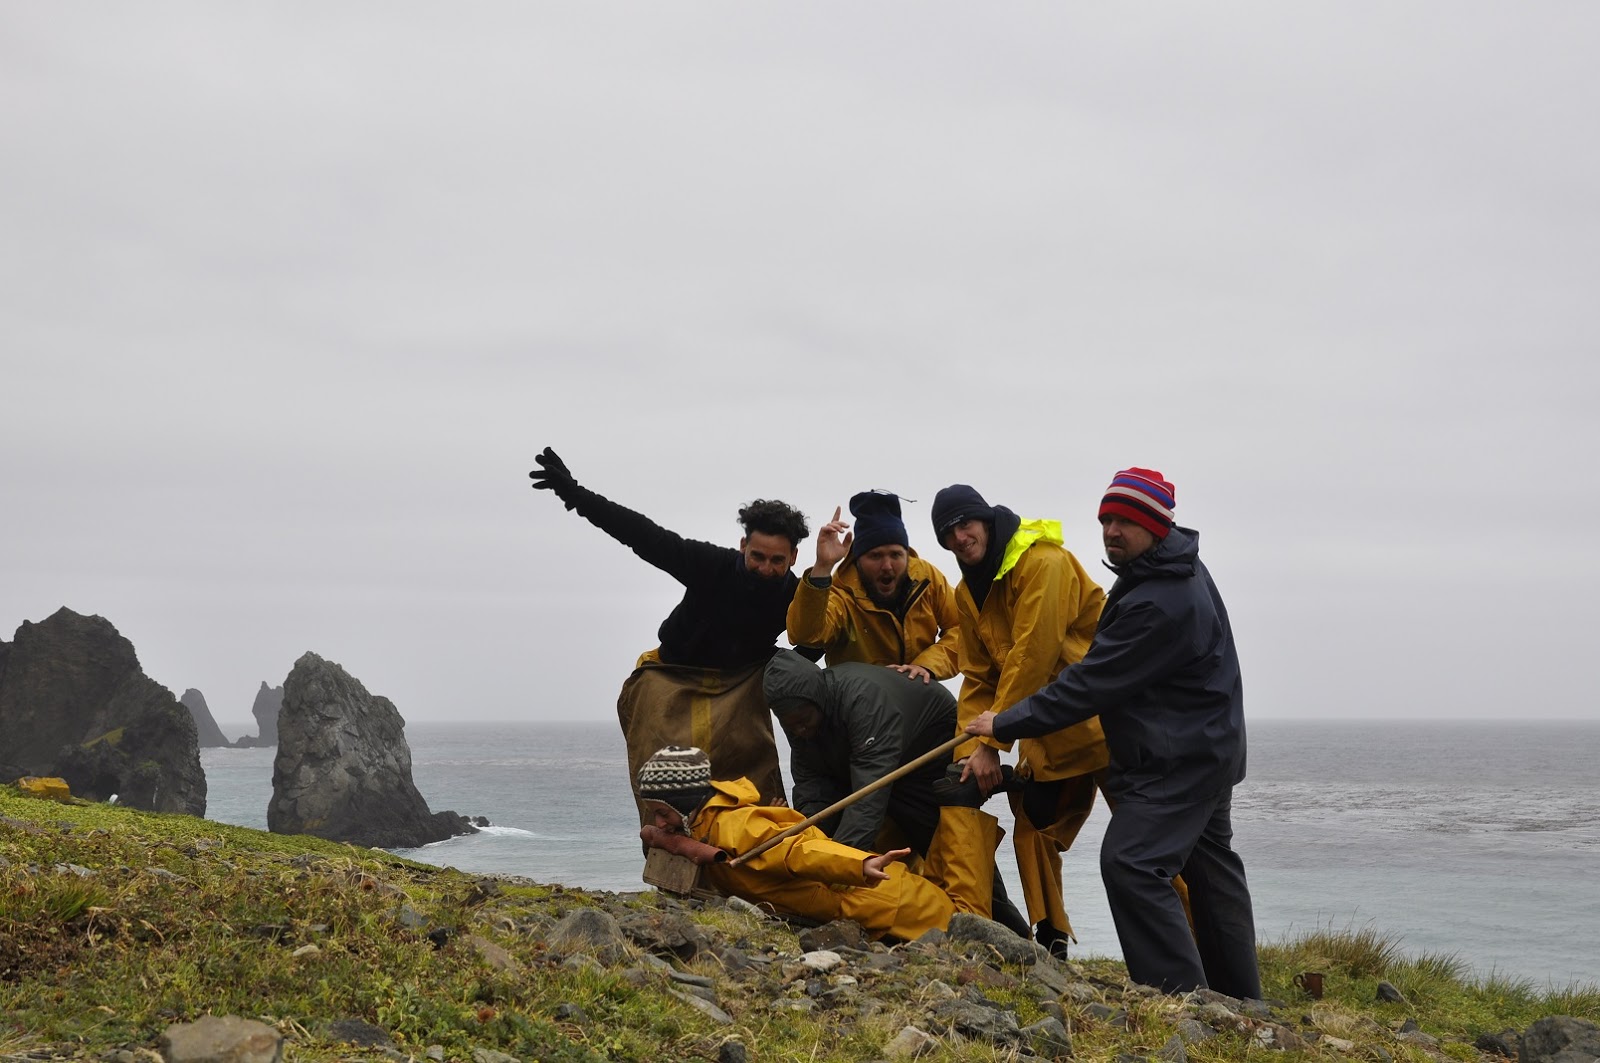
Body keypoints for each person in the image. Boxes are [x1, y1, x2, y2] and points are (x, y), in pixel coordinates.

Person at [966, 468, 1260, 998]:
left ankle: (1179, 999)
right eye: (1106, 519)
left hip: (1179, 761)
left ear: (1155, 524)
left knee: (1131, 862)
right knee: (1213, 877)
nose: (1111, 530)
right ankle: (1239, 998)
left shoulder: (1162, 600)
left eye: (1125, 520)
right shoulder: (1167, 569)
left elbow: (1090, 685)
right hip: (1208, 749)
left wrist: (1003, 723)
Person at [529, 447, 808, 823]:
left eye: (777, 561)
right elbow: (643, 536)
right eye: (757, 556)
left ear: (792, 557)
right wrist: (575, 495)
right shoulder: (711, 566)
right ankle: (667, 847)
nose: (765, 568)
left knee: (751, 780)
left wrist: (822, 573)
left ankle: (758, 855)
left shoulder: (799, 594)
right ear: (743, 546)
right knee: (663, 776)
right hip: (673, 673)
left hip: (741, 683)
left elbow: (813, 646)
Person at [931, 483, 1110, 956]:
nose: (960, 537)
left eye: (965, 524)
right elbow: (979, 677)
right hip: (1044, 729)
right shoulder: (966, 594)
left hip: (1106, 720)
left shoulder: (1042, 562)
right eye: (947, 533)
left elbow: (1035, 653)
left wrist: (995, 740)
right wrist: (969, 754)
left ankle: (1196, 948)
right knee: (1033, 828)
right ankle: (1051, 940)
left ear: (986, 520)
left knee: (1145, 840)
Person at [760, 648, 1032, 936]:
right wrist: (807, 842)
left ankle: (1015, 934)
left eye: (804, 720)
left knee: (946, 843)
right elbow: (811, 785)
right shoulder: (801, 719)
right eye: (791, 725)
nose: (800, 730)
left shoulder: (863, 702)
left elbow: (867, 802)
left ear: (817, 700)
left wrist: (834, 869)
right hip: (869, 761)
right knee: (838, 833)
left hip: (927, 753)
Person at [636, 745, 997, 942]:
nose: (658, 823)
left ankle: (960, 804)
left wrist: (858, 865)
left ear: (684, 802)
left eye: (662, 812)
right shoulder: (700, 827)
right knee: (947, 900)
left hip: (881, 897)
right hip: (870, 901)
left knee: (970, 924)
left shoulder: (736, 827)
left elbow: (800, 850)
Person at [786, 491, 961, 683]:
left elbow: (961, 627)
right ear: (858, 559)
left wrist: (925, 666)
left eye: (895, 555)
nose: (887, 566)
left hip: (918, 692)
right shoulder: (842, 593)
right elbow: (806, 635)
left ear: (906, 555)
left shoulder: (927, 578)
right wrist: (822, 567)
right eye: (875, 556)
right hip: (859, 699)